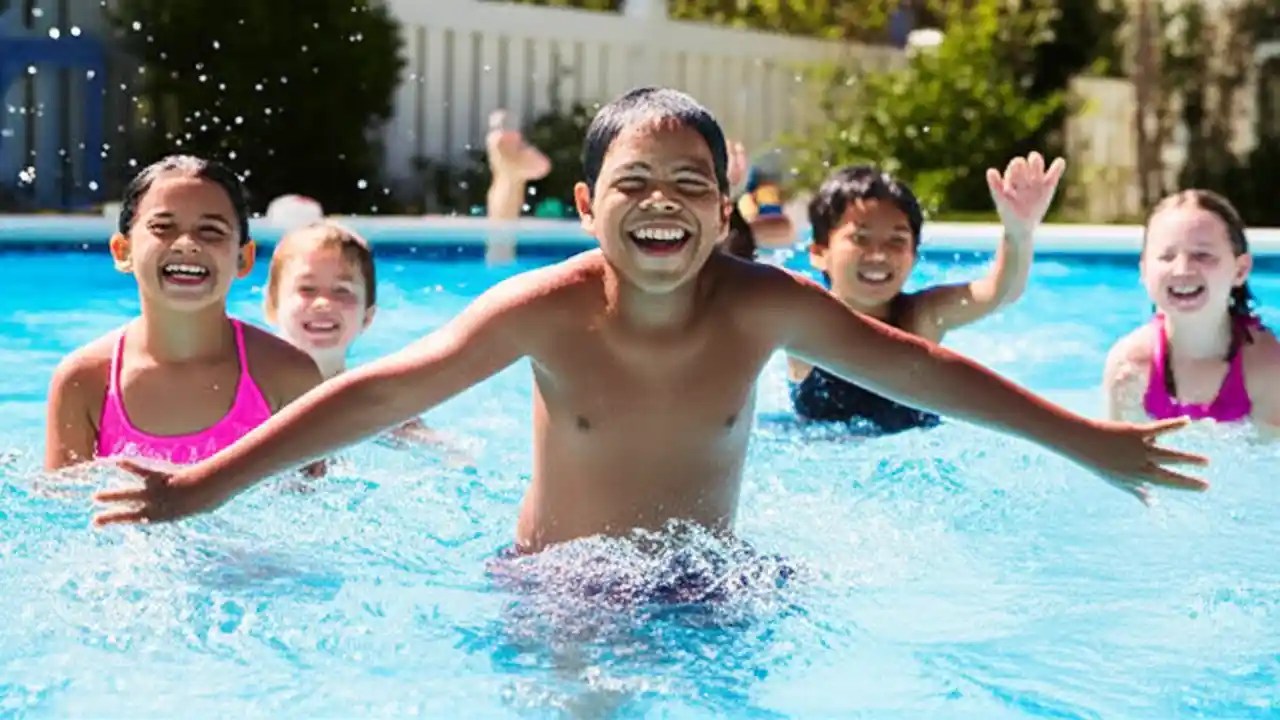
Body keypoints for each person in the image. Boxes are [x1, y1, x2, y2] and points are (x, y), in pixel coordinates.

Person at [93, 88, 1207, 548]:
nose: (661, 203)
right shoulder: (544, 310)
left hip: (709, 569)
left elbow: (921, 372)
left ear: (727, 211)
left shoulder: (765, 302)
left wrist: (1084, 440)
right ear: (584, 208)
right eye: (632, 183)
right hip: (564, 581)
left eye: (689, 184)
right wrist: (202, 485)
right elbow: (381, 392)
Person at [44, 155, 323, 470]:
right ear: (124, 252)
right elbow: (62, 508)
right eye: (163, 227)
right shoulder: (85, 382)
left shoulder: (286, 376)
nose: (187, 244)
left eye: (212, 230)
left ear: (243, 259)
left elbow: (316, 504)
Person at [787, 157, 1063, 434]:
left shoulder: (921, 316)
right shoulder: (803, 321)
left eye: (897, 240)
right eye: (861, 238)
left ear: (914, 256)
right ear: (819, 253)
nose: (879, 255)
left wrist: (1018, 232)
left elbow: (1001, 293)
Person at [263, 220, 454, 447]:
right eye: (307, 289)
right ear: (272, 307)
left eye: (342, 290)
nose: (324, 303)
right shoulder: (247, 391)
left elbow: (449, 454)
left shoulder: (371, 404)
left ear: (367, 316)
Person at [1103, 189, 1280, 432]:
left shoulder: (1266, 367)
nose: (1183, 269)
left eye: (1202, 255)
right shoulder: (1129, 367)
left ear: (1240, 270)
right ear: (1144, 271)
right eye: (1167, 256)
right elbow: (1116, 465)